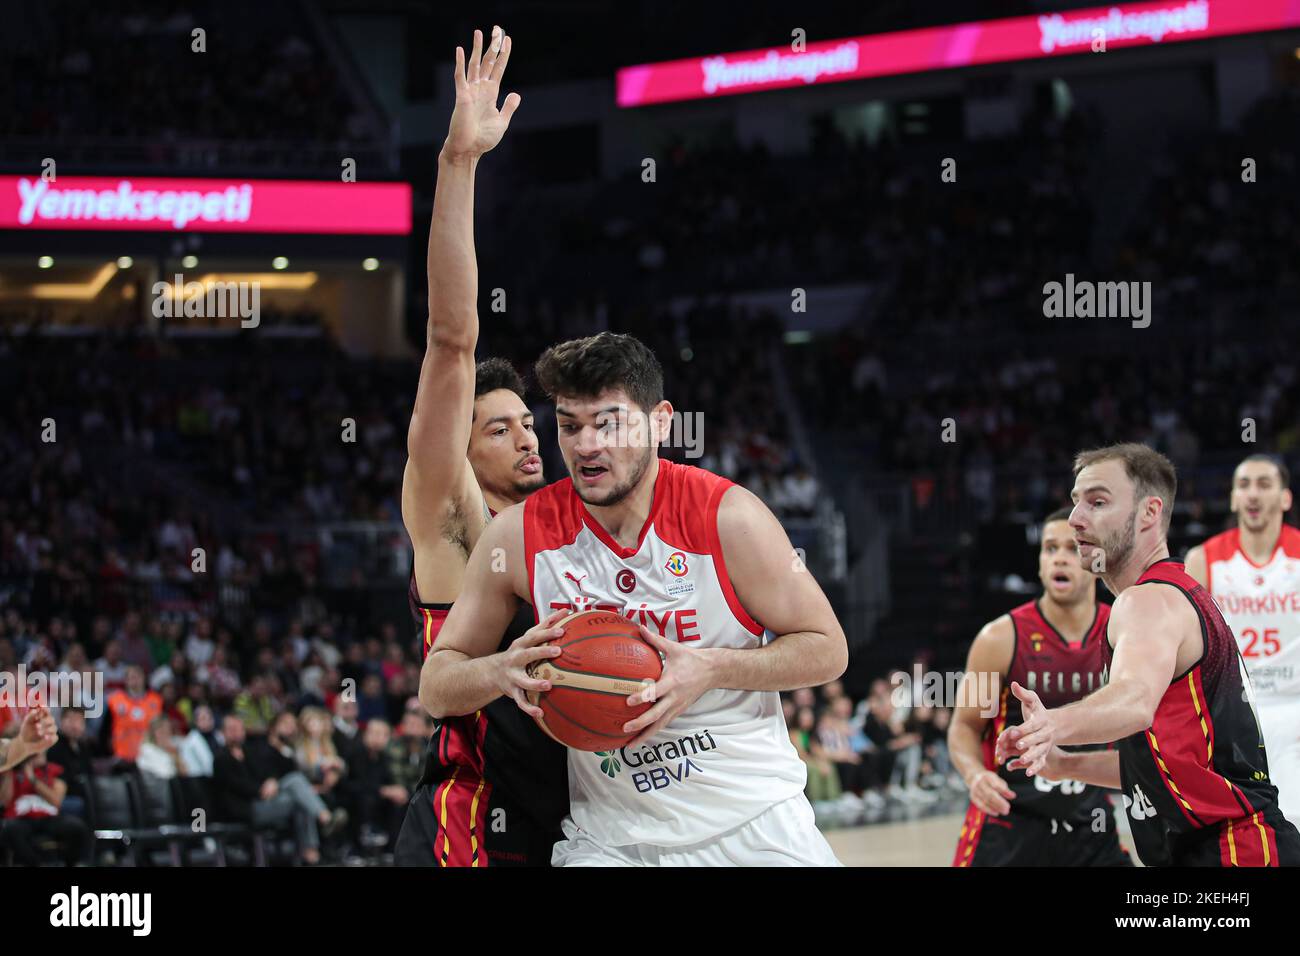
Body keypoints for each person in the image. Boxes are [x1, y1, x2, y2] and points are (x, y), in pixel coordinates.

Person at [421, 331, 848, 866]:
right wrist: (501, 670)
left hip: (753, 825)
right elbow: (436, 686)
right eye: (570, 426)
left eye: (608, 422)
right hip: (609, 843)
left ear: (661, 420)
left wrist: (711, 668)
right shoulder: (518, 535)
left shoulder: (729, 517)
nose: (585, 445)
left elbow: (829, 649)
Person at [393, 25, 568, 869]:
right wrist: (458, 165)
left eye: (528, 422)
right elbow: (451, 340)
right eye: (498, 427)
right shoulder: (457, 517)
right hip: (474, 825)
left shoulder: (571, 524)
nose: (526, 436)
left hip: (577, 816)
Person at [998, 443, 1300, 866]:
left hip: (1234, 849)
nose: (1074, 519)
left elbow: (1134, 701)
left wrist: (1052, 723)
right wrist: (1066, 765)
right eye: (1075, 502)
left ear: (1149, 513)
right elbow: (1162, 767)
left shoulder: (1147, 601)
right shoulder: (1173, 592)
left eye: (1097, 502)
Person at [949, 507, 1131, 866]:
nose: (1059, 559)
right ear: (1039, 562)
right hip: (1008, 822)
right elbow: (965, 726)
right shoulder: (999, 638)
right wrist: (975, 775)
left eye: (1071, 547)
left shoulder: (1122, 634)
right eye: (1050, 549)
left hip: (1089, 824)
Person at [1184, 454, 1300, 824]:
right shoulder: (1203, 559)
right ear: (1233, 498)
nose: (1253, 494)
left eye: (1264, 485)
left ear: (1285, 498)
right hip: (1234, 712)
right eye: (1244, 485)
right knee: (1242, 828)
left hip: (1294, 706)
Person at [212, 715, 341, 866]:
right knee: (297, 788)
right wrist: (261, 789)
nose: (236, 733)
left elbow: (267, 771)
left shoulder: (250, 751)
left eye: (239, 729)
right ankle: (322, 826)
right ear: (223, 732)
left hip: (265, 801)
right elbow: (236, 785)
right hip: (247, 809)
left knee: (298, 791)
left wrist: (272, 781)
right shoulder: (220, 758)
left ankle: (311, 854)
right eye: (231, 729)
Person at [0, 750, 93, 865]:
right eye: (36, 751)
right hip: (22, 819)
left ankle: (70, 863)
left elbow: (56, 800)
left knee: (77, 827)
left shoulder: (55, 770)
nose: (40, 753)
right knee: (10, 830)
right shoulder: (14, 772)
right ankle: (36, 864)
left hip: (48, 817)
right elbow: (4, 801)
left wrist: (33, 779)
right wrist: (10, 770)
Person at [105, 665, 162, 762]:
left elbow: (161, 727)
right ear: (126, 680)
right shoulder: (115, 700)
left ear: (144, 679)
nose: (135, 680)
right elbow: (106, 729)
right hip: (122, 755)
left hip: (149, 754)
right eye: (131, 677)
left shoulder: (156, 700)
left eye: (138, 676)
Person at [179, 704, 218, 777]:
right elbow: (207, 767)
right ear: (196, 721)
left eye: (210, 718)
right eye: (203, 718)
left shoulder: (218, 736)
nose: (207, 721)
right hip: (200, 781)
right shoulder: (191, 741)